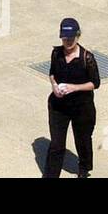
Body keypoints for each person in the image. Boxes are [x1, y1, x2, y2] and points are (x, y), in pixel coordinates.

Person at [44, 17, 100, 178]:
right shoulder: (56, 53)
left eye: (71, 38)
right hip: (59, 106)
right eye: (64, 38)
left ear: (78, 36)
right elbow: (52, 74)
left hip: (82, 107)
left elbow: (95, 83)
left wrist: (74, 88)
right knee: (56, 144)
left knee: (82, 139)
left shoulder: (87, 58)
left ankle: (83, 170)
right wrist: (54, 86)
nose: (67, 42)